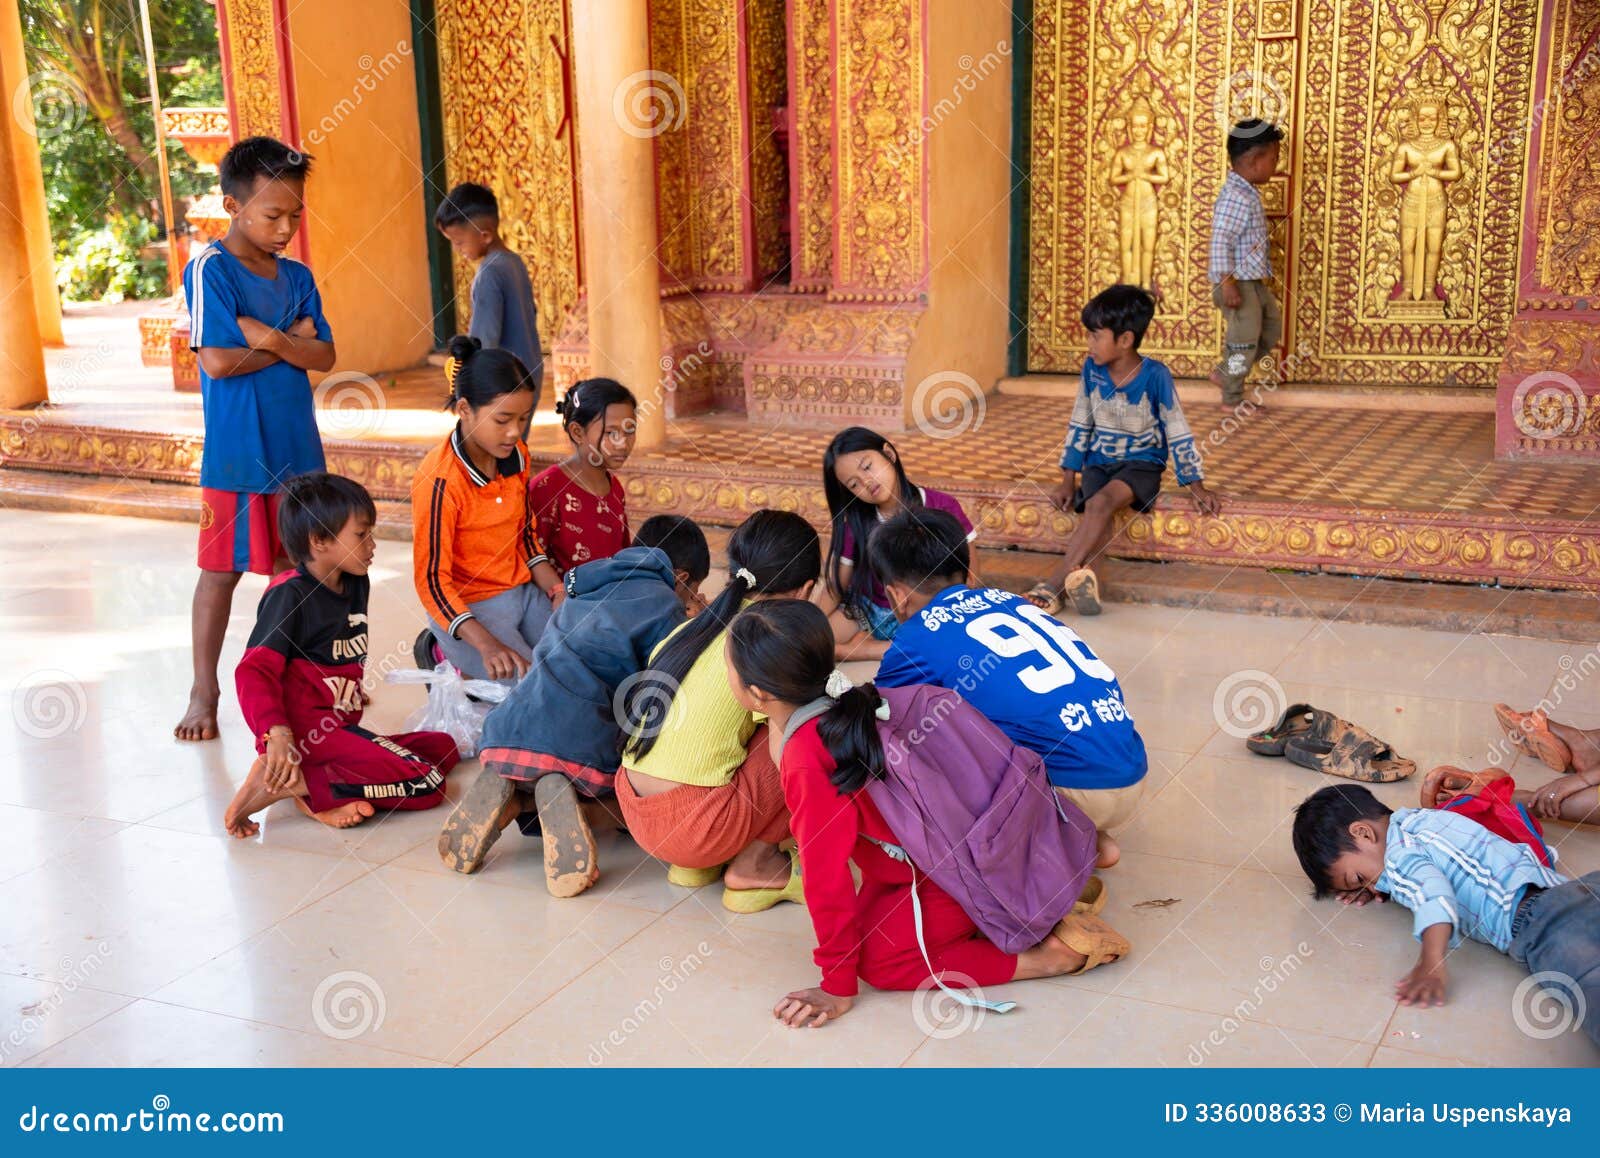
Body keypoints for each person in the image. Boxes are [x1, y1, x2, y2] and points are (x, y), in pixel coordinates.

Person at [726, 599, 1131, 1029]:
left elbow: (826, 879)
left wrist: (836, 984)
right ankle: (1048, 879)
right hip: (970, 845)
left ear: (759, 693)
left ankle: (1046, 958)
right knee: (865, 925)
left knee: (879, 962)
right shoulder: (852, 700)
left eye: (729, 668)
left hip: (950, 873)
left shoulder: (808, 756)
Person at [438, 515, 711, 897]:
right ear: (681, 577)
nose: (692, 600)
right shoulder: (665, 603)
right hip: (577, 739)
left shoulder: (586, 583)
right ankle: (572, 805)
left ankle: (510, 793)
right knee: (630, 793)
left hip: (509, 727)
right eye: (693, 590)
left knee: (539, 762)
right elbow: (660, 682)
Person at [872, 507, 1147, 869]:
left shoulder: (917, 636)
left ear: (896, 596)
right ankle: (1087, 836)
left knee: (902, 734)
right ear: (968, 572)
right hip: (1130, 770)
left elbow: (877, 712)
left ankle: (1041, 851)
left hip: (1073, 788)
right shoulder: (1013, 600)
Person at [175, 137, 335, 742]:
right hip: (238, 456)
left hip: (299, 454)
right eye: (273, 215)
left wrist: (265, 338)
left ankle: (303, 684)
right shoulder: (210, 269)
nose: (287, 227)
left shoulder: (298, 275)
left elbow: (324, 353)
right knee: (220, 574)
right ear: (232, 205)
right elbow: (215, 360)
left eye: (296, 214)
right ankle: (204, 689)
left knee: (297, 571)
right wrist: (288, 342)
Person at [224, 473, 459, 838]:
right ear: (319, 541)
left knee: (442, 748)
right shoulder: (289, 594)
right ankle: (298, 783)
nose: (372, 545)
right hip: (301, 733)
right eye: (361, 534)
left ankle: (311, 790)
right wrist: (277, 735)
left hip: (338, 727)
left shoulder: (355, 581)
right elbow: (253, 672)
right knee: (428, 782)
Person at [1291, 783, 1599, 1048]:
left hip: (1542, 925)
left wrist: (1431, 959)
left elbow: (1434, 895)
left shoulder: (1399, 859)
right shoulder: (1422, 820)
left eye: (1360, 879)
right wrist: (1376, 884)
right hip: (1577, 889)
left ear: (1363, 832)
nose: (1373, 887)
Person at [618, 510, 820, 911]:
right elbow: (788, 759)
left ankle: (693, 866)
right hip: (697, 827)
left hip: (635, 809)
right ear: (805, 591)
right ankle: (756, 865)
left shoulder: (687, 628)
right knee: (802, 724)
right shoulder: (769, 644)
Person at [1028, 284, 1218, 617]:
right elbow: (1080, 421)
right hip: (1099, 462)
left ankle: (1053, 585)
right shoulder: (1092, 371)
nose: (1089, 345)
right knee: (1098, 518)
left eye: (1095, 336)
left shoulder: (1155, 376)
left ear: (1125, 340)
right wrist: (1067, 478)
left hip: (1141, 465)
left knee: (1100, 503)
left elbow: (1177, 429)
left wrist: (1195, 484)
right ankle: (1086, 581)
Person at [410, 335, 563, 682]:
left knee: (579, 665)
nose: (514, 432)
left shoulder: (517, 455)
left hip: (522, 593)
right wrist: (485, 644)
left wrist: (556, 591)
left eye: (523, 419)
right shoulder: (440, 480)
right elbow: (431, 581)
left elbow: (525, 536)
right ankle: (441, 647)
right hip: (470, 609)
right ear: (465, 409)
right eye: (502, 420)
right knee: (534, 690)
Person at [816, 426, 976, 663]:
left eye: (867, 467)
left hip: (924, 612)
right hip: (867, 609)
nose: (866, 482)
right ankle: (883, 646)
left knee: (945, 650)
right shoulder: (858, 522)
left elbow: (969, 576)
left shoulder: (942, 506)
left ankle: (867, 650)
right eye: (853, 484)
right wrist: (806, 623)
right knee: (812, 646)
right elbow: (836, 586)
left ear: (889, 454)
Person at [435, 182, 543, 419]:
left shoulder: (489, 273)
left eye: (459, 242)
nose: (456, 249)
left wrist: (467, 385)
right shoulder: (514, 263)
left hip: (501, 385)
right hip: (529, 376)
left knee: (492, 451)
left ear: (484, 235)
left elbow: (484, 340)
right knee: (512, 446)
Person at [1209, 118, 1284, 407]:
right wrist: (1227, 283)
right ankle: (1232, 395)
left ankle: (1225, 371)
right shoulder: (1236, 196)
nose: (1275, 165)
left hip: (1250, 281)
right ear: (1254, 160)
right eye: (1274, 158)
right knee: (1243, 338)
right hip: (1236, 282)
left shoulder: (1246, 193)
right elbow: (1220, 240)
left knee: (1270, 327)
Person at [530, 377, 637, 577]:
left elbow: (622, 555)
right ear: (577, 432)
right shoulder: (547, 488)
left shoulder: (614, 488)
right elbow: (530, 558)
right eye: (611, 432)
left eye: (629, 431)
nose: (623, 443)